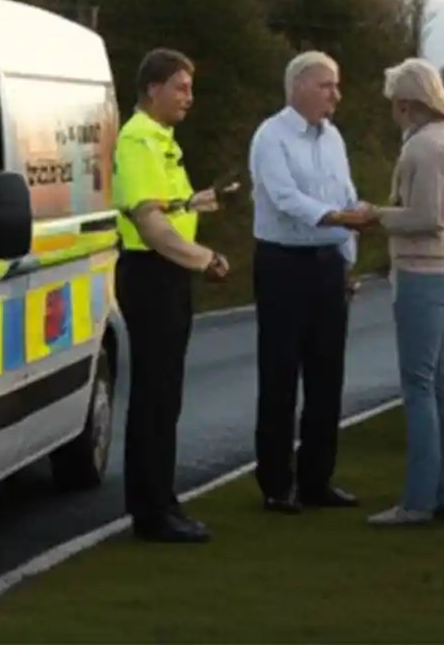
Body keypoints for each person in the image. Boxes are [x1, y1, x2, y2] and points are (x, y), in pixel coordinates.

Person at [113, 47, 232, 543]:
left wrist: (195, 202)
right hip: (151, 273)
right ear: (152, 89)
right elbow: (151, 224)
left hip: (167, 274)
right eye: (180, 88)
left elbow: (166, 206)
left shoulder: (161, 138)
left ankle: (162, 500)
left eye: (190, 88)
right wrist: (204, 258)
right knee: (155, 397)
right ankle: (152, 511)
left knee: (166, 396)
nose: (189, 97)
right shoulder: (139, 138)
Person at [247, 51, 372, 514]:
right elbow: (285, 198)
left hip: (327, 264)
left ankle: (318, 479)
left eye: (335, 86)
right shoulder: (271, 136)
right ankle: (276, 483)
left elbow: (346, 195)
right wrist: (338, 218)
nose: (335, 95)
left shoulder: (333, 138)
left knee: (327, 374)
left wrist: (347, 259)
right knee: (280, 373)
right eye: (326, 85)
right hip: (283, 263)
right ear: (298, 87)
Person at [357, 57, 444, 526]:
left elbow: (427, 216)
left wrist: (375, 214)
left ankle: (418, 500)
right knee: (440, 386)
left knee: (419, 386)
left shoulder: (424, 147)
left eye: (394, 103)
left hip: (424, 272)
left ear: (406, 103)